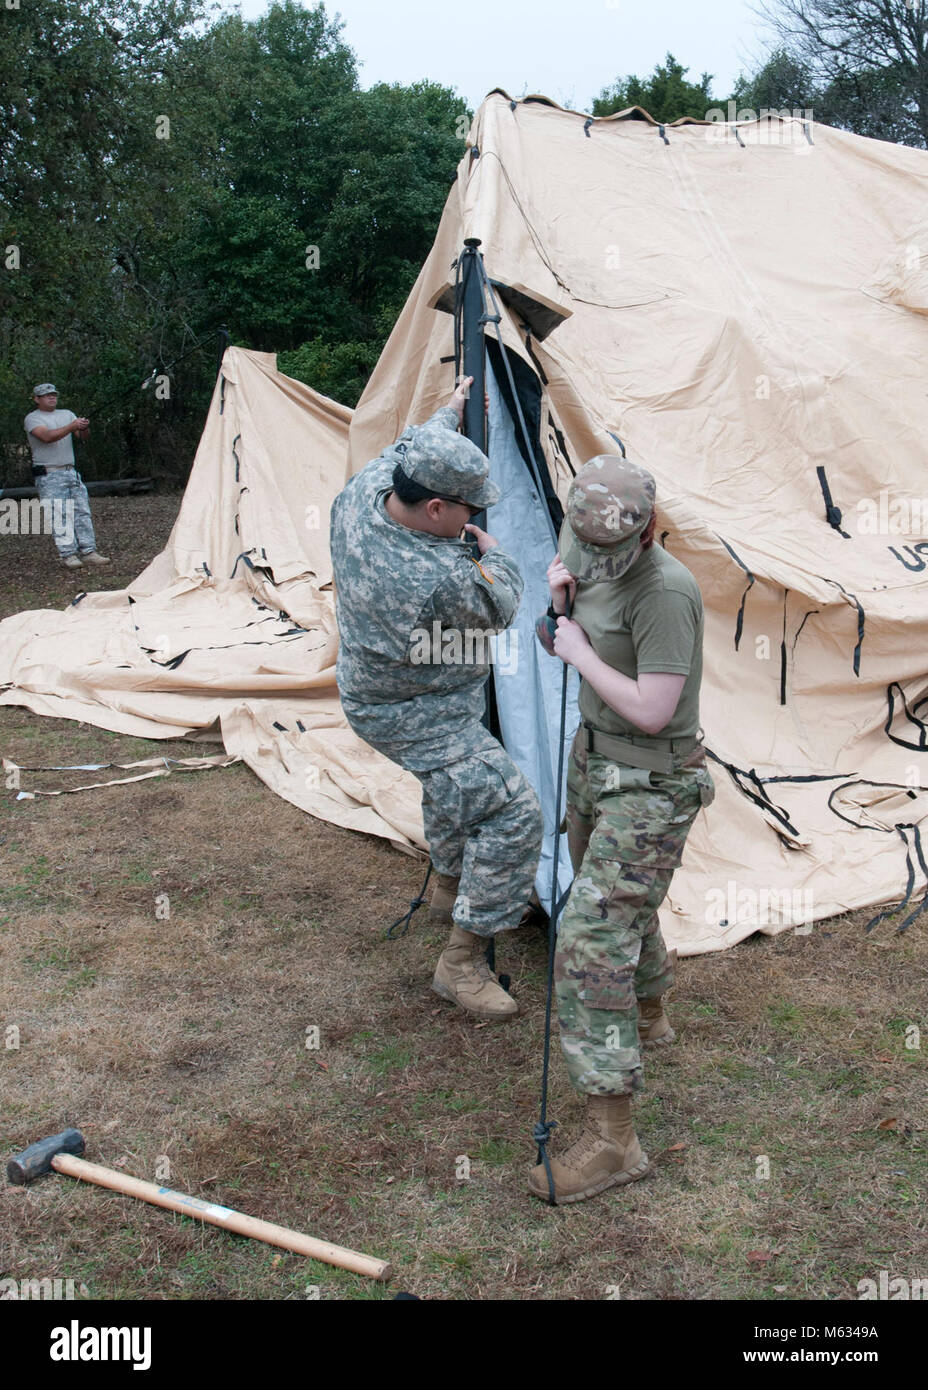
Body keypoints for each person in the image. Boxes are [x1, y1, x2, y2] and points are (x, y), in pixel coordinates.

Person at [528, 454, 714, 1203]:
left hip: (652, 777)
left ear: (646, 529)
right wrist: (557, 615)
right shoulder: (588, 538)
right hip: (594, 761)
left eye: (610, 554)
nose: (595, 562)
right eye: (585, 549)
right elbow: (560, 636)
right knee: (613, 899)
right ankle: (650, 1005)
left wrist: (576, 652)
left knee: (591, 933)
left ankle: (614, 1143)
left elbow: (652, 708)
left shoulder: (666, 590)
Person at [329, 377, 543, 1020]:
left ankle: (452, 889)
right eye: (467, 511)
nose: (474, 519)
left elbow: (412, 444)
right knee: (513, 812)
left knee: (454, 790)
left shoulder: (365, 491)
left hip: (387, 688)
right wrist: (498, 556)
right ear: (433, 511)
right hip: (412, 711)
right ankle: (462, 961)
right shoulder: (437, 579)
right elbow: (502, 604)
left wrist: (451, 410)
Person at [23, 383, 110, 569]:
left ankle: (89, 551)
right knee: (59, 515)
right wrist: (71, 426)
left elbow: (83, 437)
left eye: (53, 394)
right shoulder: (33, 418)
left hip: (71, 471)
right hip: (49, 473)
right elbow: (47, 437)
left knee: (82, 511)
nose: (51, 398)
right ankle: (68, 554)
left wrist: (83, 427)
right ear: (37, 399)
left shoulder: (67, 414)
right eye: (46, 396)